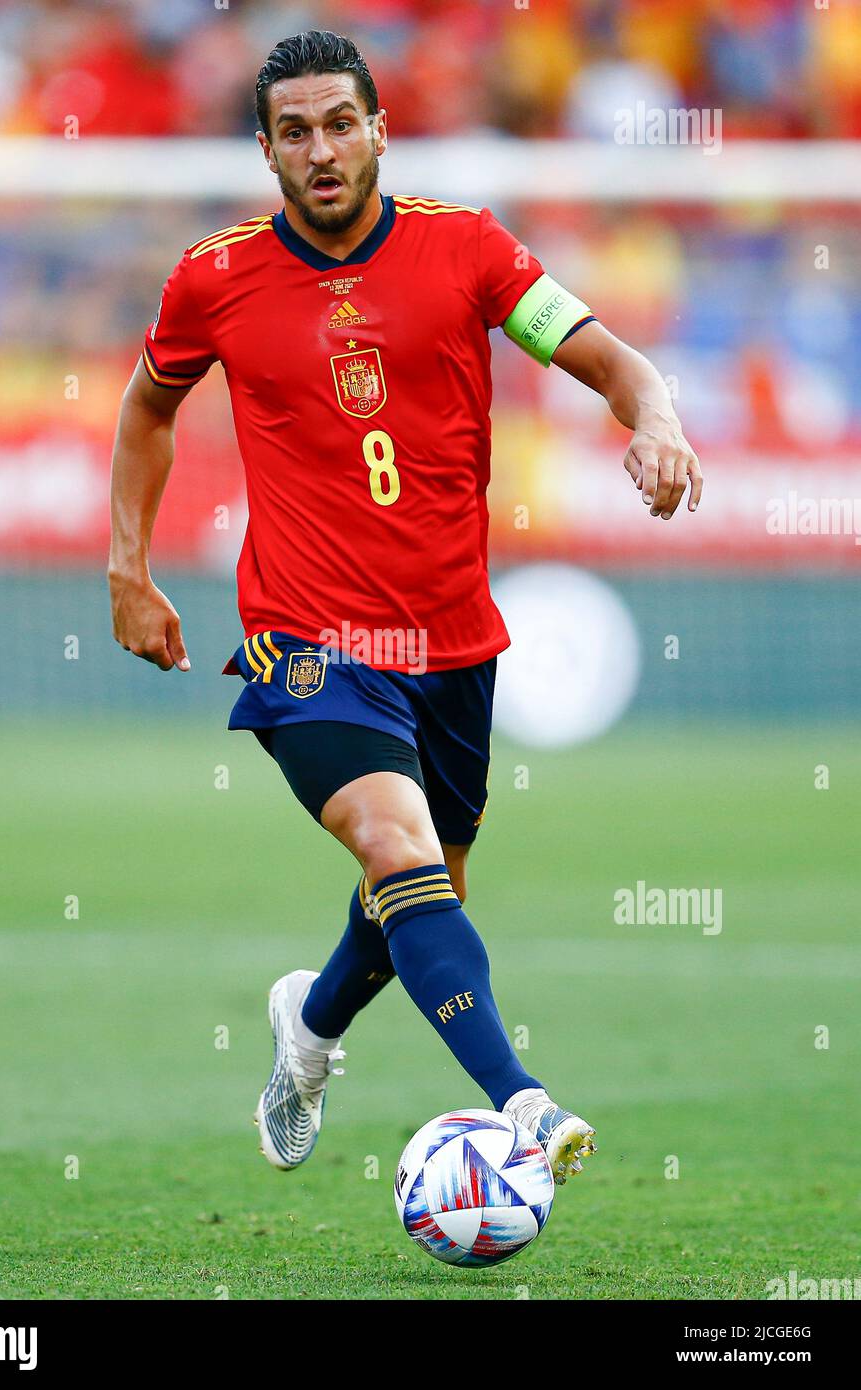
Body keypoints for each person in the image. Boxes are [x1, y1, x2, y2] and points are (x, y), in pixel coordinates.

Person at [108, 30, 702, 1186]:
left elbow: (610, 359)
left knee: (422, 886)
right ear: (266, 149)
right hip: (303, 641)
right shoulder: (214, 278)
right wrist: (130, 567)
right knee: (395, 845)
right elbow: (145, 411)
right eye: (295, 131)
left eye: (341, 123)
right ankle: (523, 1103)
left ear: (380, 128)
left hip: (451, 642)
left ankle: (311, 1024)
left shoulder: (468, 251)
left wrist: (659, 421)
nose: (321, 149)